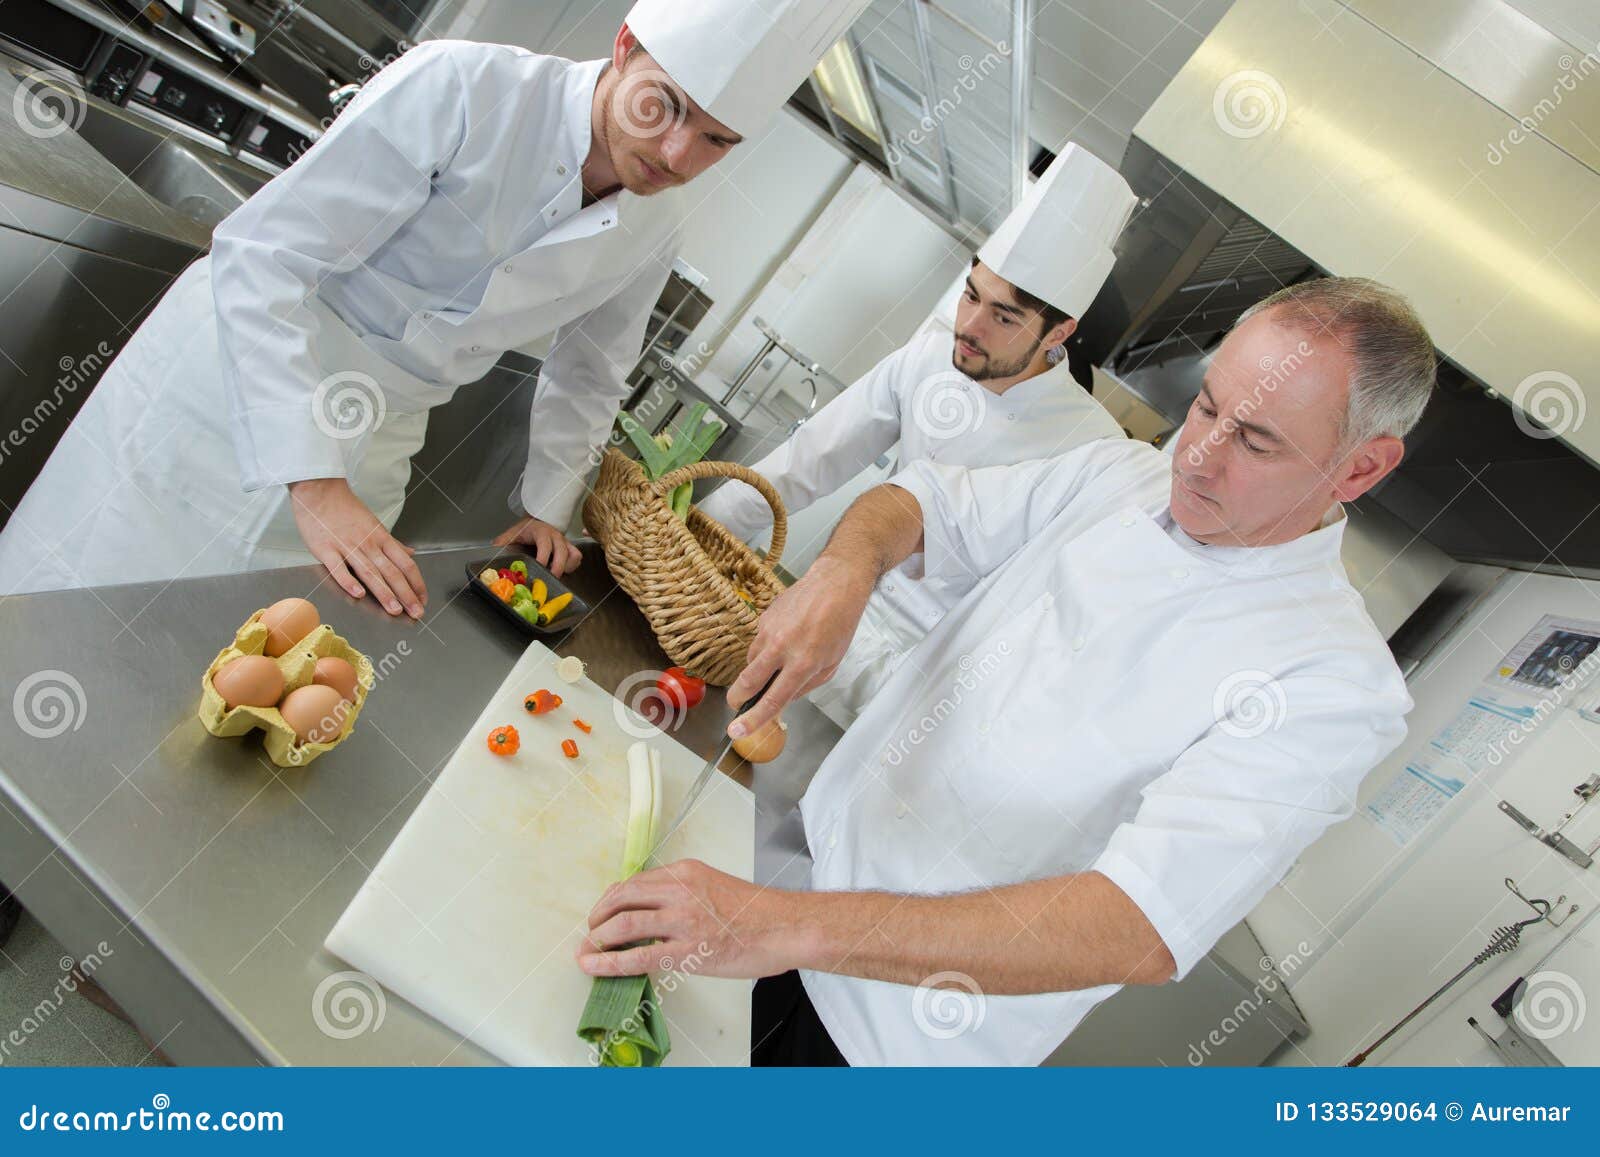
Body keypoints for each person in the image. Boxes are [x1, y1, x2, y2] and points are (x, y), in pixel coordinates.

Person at [576, 277, 1435, 1065]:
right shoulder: (1123, 475)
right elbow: (922, 502)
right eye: (1207, 406)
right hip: (788, 884)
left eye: (1255, 440)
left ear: (1361, 466)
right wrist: (846, 569)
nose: (1198, 455)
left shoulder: (1333, 684)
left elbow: (1133, 925)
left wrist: (782, 926)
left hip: (882, 1038)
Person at [0, 0, 869, 615]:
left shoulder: (656, 229)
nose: (676, 154)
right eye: (665, 106)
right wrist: (313, 479)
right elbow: (264, 256)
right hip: (230, 392)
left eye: (715, 140)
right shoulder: (466, 88)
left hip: (379, 440)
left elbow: (591, 370)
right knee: (68, 606)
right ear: (625, 45)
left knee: (250, 660)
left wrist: (548, 505)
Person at [697, 144, 1136, 728]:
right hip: (826, 630)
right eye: (972, 294)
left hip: (927, 699)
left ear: (1059, 332)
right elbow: (805, 463)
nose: (969, 326)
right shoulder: (927, 360)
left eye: (1004, 316)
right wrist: (690, 538)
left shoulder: (1094, 448)